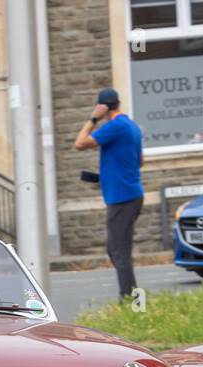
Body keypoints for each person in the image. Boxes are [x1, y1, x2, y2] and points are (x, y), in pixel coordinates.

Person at [73, 87, 144, 299]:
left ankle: (129, 298)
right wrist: (108, 175)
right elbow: (140, 161)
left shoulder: (116, 126)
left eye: (99, 109)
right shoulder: (132, 126)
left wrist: (93, 119)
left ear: (103, 107)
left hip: (122, 198)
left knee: (119, 251)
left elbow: (80, 143)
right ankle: (130, 294)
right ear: (118, 103)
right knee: (116, 249)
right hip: (130, 194)